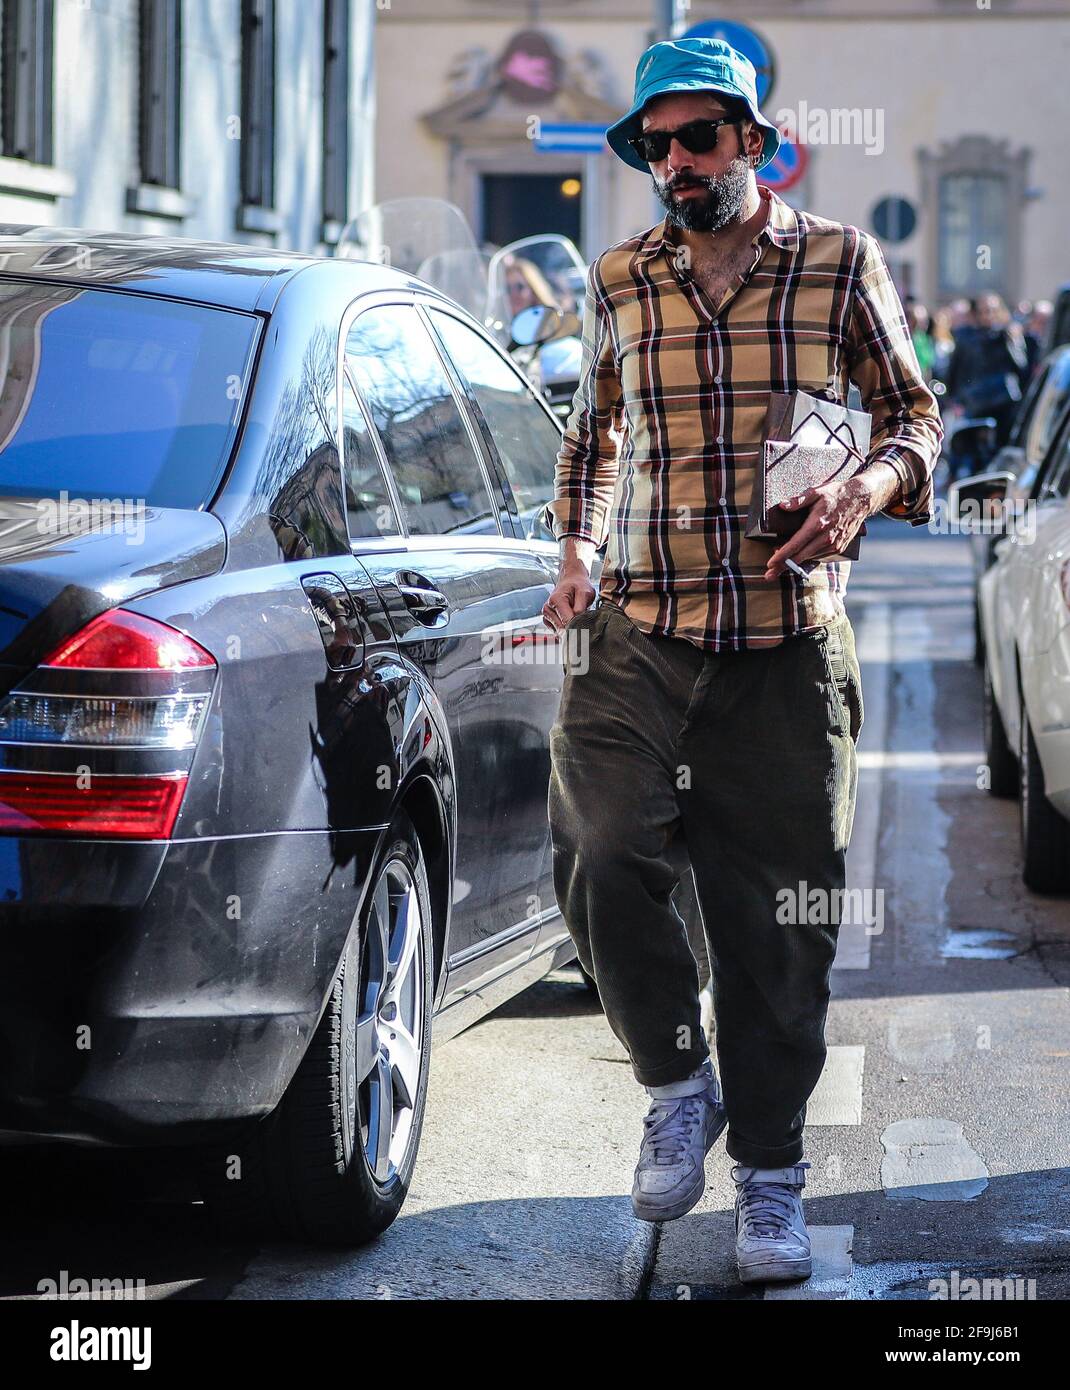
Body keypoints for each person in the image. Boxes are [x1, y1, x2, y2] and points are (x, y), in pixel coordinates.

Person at [541, 37, 941, 1286]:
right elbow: (591, 433)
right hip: (640, 631)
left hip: (782, 646)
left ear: (750, 143)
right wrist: (570, 546)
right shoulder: (620, 277)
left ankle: (769, 1179)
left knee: (775, 932)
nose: (673, 163)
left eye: (696, 139)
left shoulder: (833, 261)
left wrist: (865, 490)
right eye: (653, 145)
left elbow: (915, 416)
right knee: (601, 855)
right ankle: (675, 1079)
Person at [945, 293, 1030, 454]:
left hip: (1003, 404)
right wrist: (955, 400)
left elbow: (1021, 368)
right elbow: (954, 372)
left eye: (991, 310)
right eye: (983, 311)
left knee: (1000, 449)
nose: (988, 315)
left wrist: (1012, 341)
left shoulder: (1007, 335)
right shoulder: (967, 338)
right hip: (975, 404)